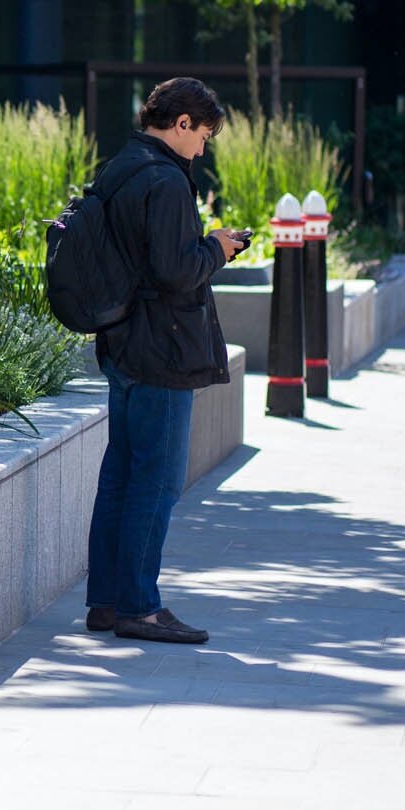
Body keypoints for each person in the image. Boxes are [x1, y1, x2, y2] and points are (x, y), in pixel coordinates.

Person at [84, 78, 243, 645]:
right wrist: (217, 248)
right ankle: (141, 608)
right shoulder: (167, 181)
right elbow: (177, 273)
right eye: (202, 135)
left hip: (121, 342)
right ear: (181, 124)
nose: (202, 148)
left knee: (120, 476)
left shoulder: (119, 166)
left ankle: (106, 602)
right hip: (164, 348)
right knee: (156, 482)